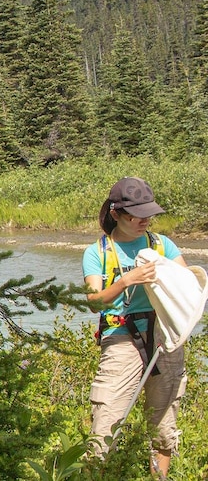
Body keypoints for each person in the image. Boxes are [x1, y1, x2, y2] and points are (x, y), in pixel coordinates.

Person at [82, 177, 187, 477]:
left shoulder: (161, 244)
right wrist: (127, 280)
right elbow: (94, 302)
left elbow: (187, 286)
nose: (144, 221)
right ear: (115, 214)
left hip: (165, 337)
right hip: (121, 339)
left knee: (164, 425)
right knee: (105, 424)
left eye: (149, 215)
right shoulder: (97, 252)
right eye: (136, 215)